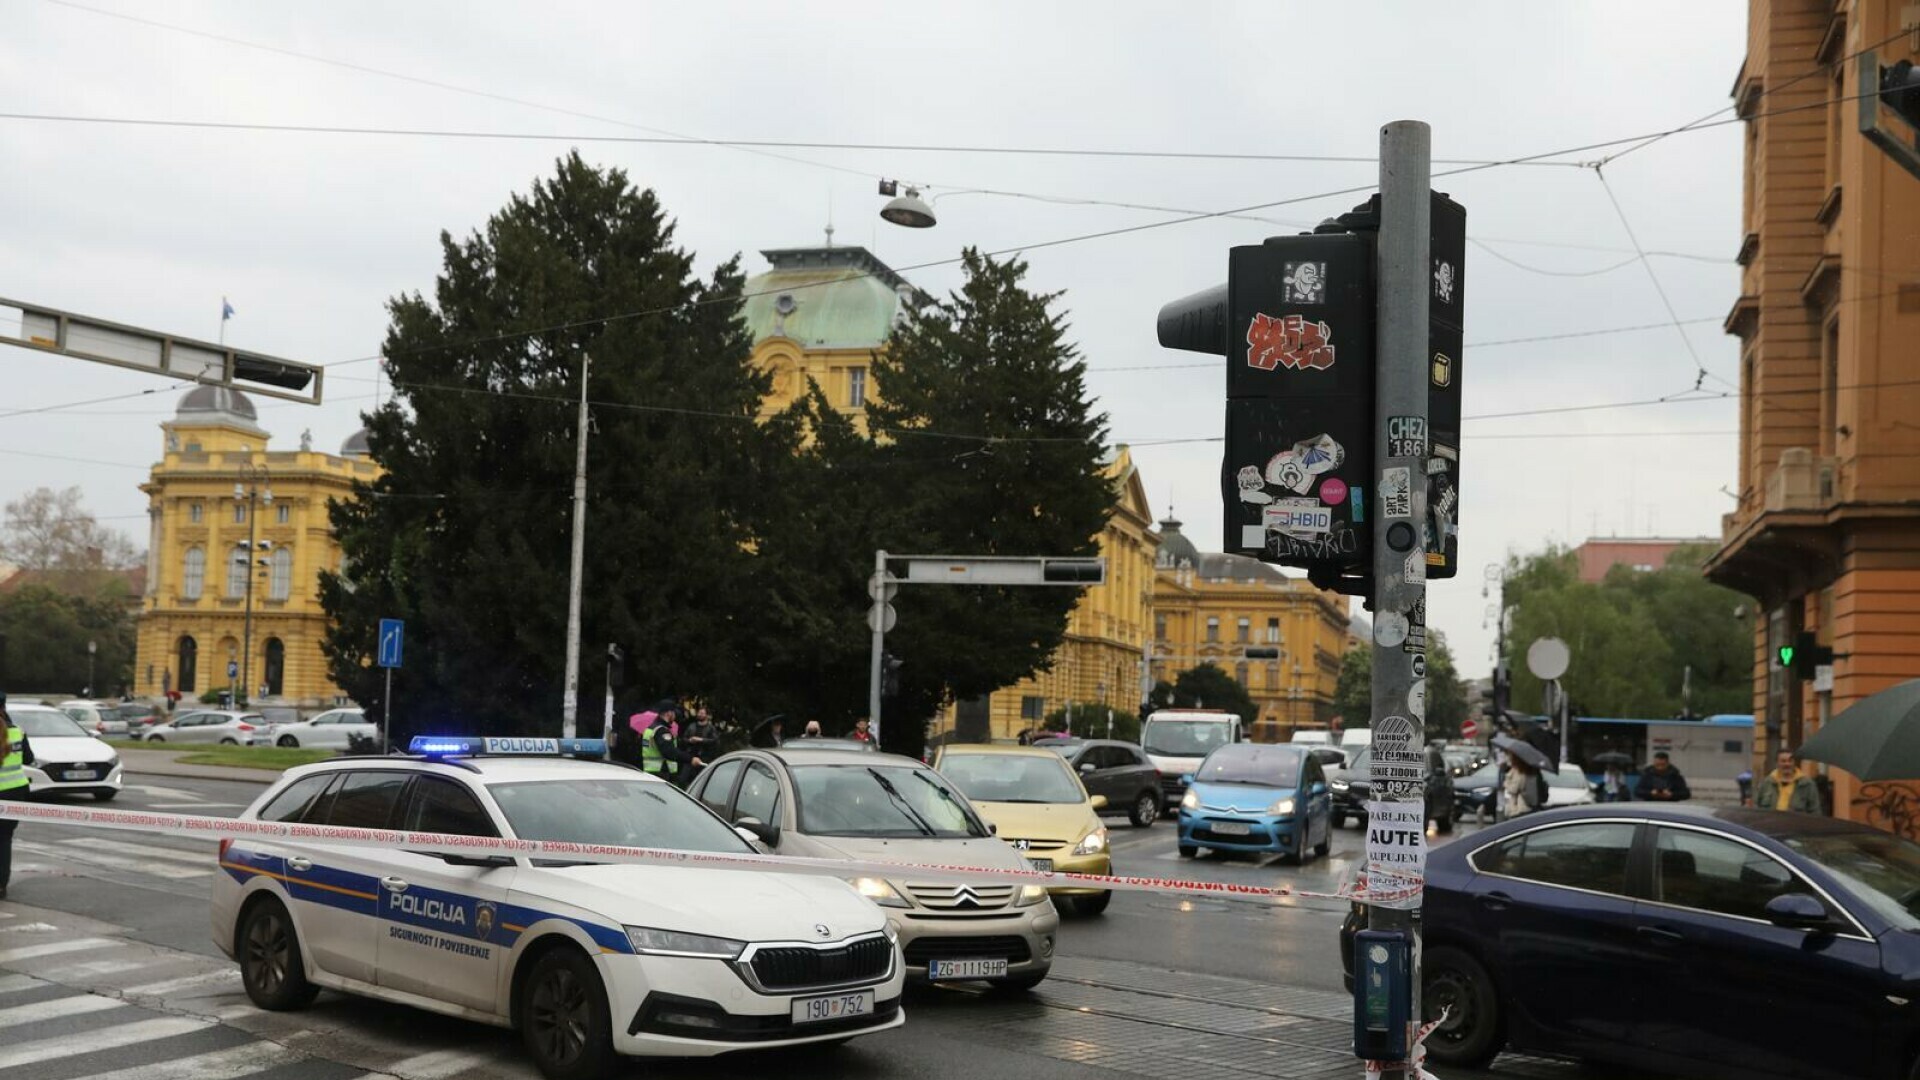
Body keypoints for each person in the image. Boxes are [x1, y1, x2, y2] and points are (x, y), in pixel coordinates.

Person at [0, 693, 30, 900]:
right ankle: (2, 884)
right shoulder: (17, 731)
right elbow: (29, 758)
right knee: (4, 839)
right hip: (16, 791)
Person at [1754, 748, 1821, 814]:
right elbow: (1756, 808)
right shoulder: (1766, 783)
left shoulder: (1807, 785)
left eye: (1790, 761)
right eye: (1783, 761)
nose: (1787, 764)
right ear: (1777, 763)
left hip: (1796, 824)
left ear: (1794, 762)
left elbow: (1815, 812)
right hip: (1770, 824)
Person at [680, 706, 720, 785]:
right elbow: (683, 739)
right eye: (699, 713)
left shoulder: (711, 728)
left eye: (702, 713)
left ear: (707, 716)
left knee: (699, 781)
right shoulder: (691, 726)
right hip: (690, 756)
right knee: (682, 779)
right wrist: (690, 740)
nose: (700, 715)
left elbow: (715, 741)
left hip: (703, 758)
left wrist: (701, 740)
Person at [1502, 754, 1543, 819]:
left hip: (1520, 808)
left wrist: (1506, 783)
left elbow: (1513, 789)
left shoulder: (1520, 773)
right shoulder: (1532, 772)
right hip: (1531, 806)